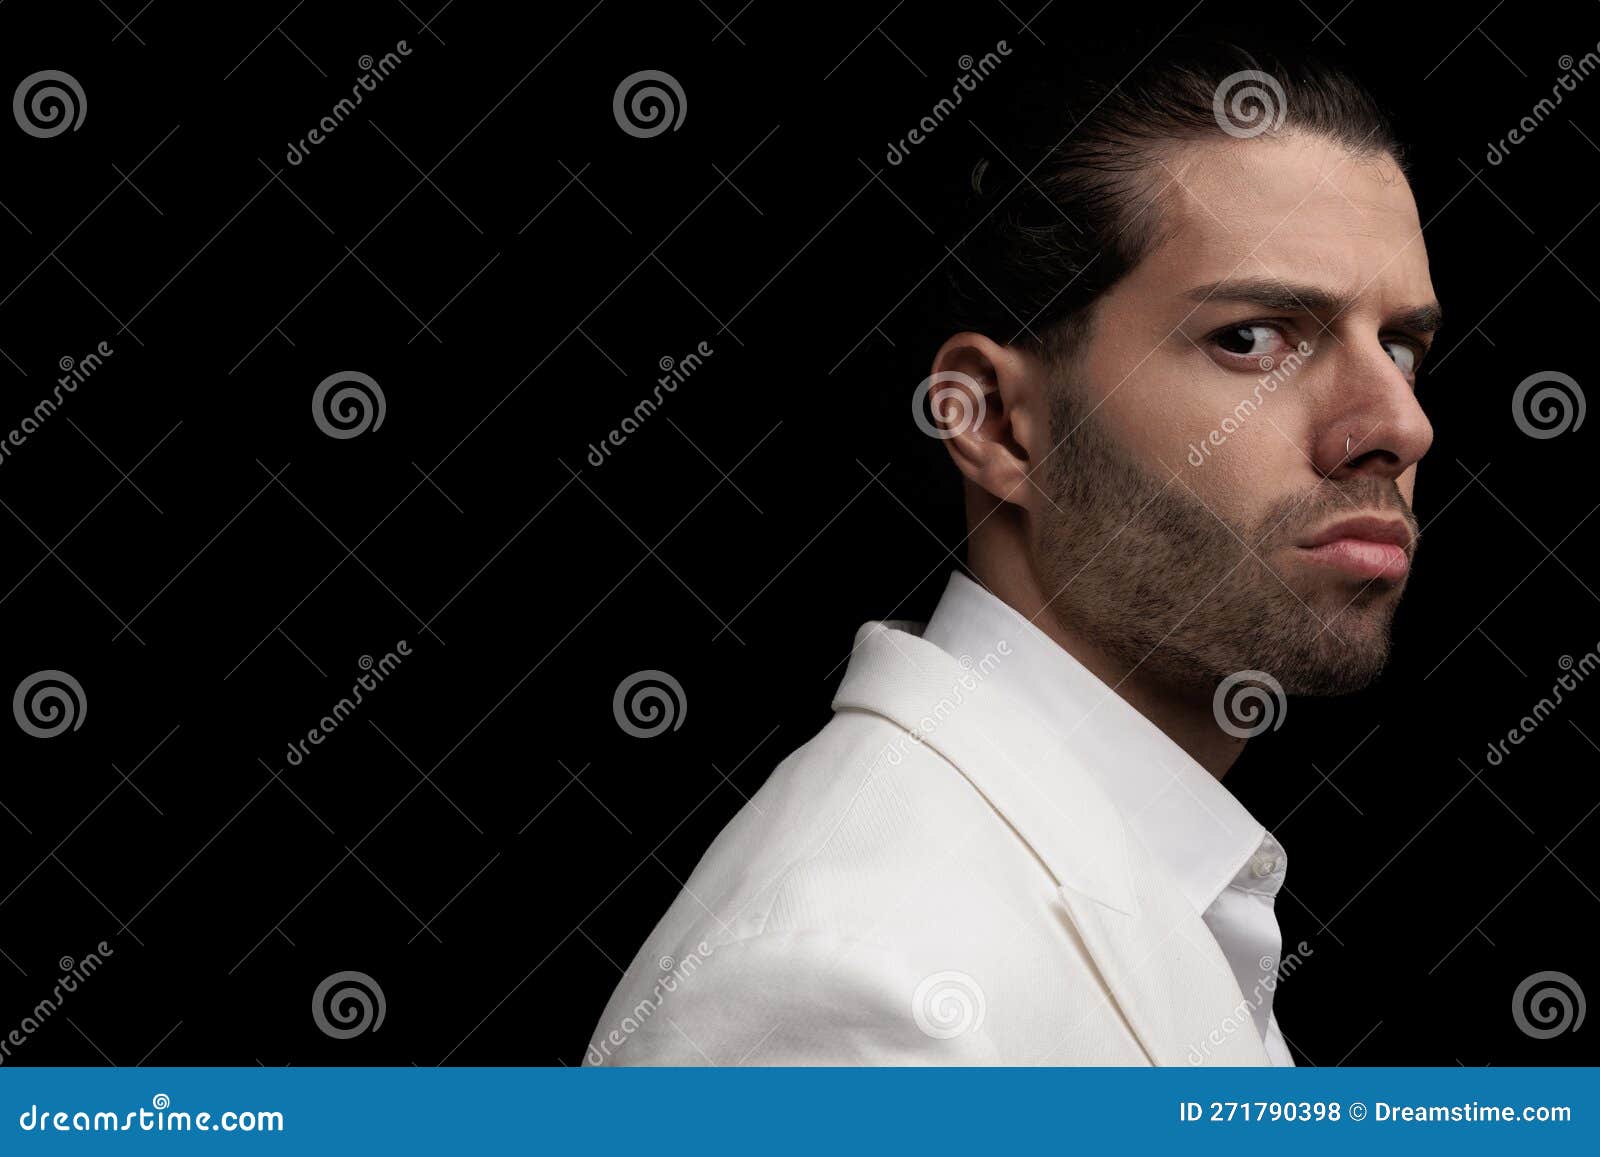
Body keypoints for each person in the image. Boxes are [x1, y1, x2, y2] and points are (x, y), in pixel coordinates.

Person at [589, 31, 1437, 1066]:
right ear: (992, 422)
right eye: (1251, 338)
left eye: (1398, 346)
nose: (1396, 423)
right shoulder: (860, 982)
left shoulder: (1161, 882)